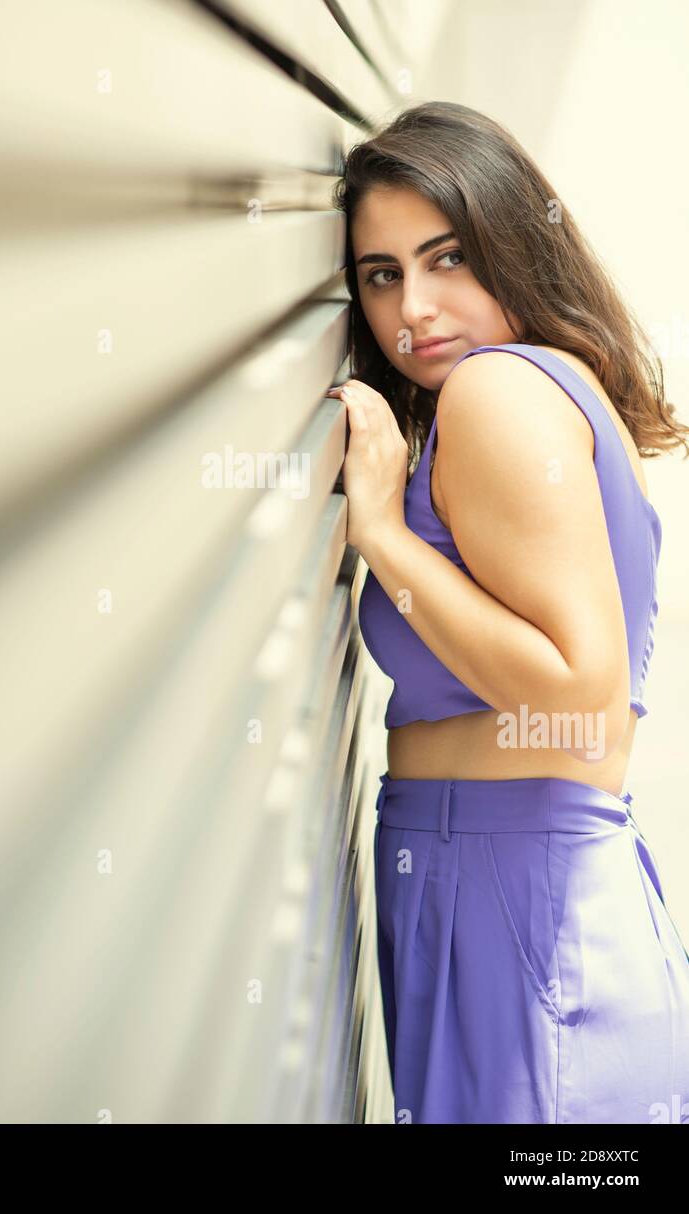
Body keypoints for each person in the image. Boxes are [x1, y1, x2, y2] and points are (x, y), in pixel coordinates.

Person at [327, 101, 689, 1124]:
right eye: (382, 274)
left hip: (529, 918)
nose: (415, 308)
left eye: (447, 259)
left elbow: (583, 703)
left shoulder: (497, 392)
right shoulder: (518, 393)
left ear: (512, 246)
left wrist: (383, 537)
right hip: (492, 907)